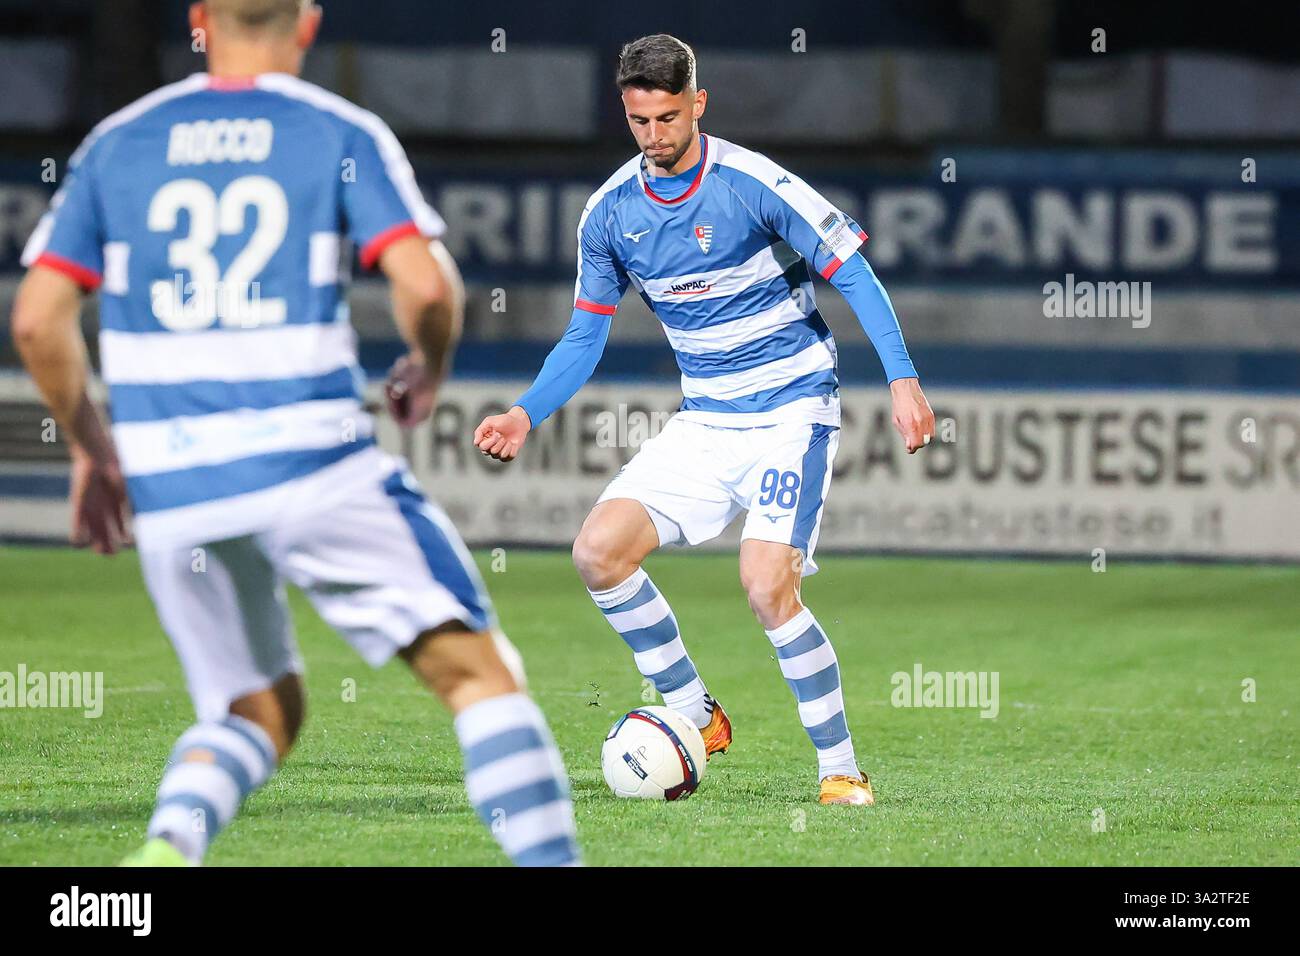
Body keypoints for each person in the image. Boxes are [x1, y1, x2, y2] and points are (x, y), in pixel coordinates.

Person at [13, 0, 579, 866]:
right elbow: (426, 289)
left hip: (174, 487)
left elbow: (37, 322)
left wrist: (95, 448)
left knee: (257, 708)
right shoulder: (336, 131)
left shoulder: (119, 142)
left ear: (200, 17)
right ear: (308, 22)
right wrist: (428, 365)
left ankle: (166, 852)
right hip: (310, 465)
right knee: (481, 678)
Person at [474, 33, 935, 806]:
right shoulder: (611, 213)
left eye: (666, 118)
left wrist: (903, 380)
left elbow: (852, 271)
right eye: (637, 121)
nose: (653, 136)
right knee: (598, 553)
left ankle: (840, 769)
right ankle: (695, 714)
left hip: (792, 411)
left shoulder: (753, 184)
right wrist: (526, 412)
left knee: (765, 586)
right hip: (707, 420)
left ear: (698, 104)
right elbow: (586, 333)